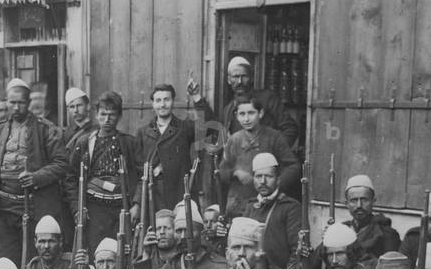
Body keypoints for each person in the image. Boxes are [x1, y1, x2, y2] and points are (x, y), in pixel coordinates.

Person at [0, 79, 68, 266]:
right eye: (12, 102)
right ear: (6, 102)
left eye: (21, 102)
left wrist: (36, 177)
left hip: (32, 206)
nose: (16, 107)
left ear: (28, 104)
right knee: (4, 258)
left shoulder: (45, 129)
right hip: (4, 207)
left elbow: (62, 164)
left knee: (31, 260)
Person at [65, 90, 140, 253]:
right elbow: (70, 177)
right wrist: (77, 208)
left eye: (112, 115)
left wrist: (137, 204)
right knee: (95, 253)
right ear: (96, 114)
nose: (107, 119)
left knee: (122, 253)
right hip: (94, 210)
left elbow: (141, 175)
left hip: (122, 208)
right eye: (103, 114)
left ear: (119, 116)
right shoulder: (85, 143)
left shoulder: (129, 143)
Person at [134, 82, 212, 211]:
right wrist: (137, 202)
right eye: (158, 100)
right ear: (153, 104)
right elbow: (138, 171)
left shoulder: (184, 128)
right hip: (152, 195)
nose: (163, 104)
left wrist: (196, 96)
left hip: (178, 193)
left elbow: (207, 125)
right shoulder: (143, 133)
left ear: (173, 102)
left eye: (167, 99)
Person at [217, 96, 298, 217]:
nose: (246, 119)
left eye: (251, 113)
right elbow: (222, 171)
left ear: (260, 113)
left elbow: (293, 166)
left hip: (267, 203)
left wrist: (276, 184)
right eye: (242, 114)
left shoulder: (274, 137)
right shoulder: (234, 140)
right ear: (236, 116)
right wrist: (235, 172)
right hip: (239, 204)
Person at [218, 56, 298, 150]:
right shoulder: (228, 110)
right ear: (229, 80)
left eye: (244, 76)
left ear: (251, 78)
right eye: (235, 77)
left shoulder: (267, 99)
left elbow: (290, 129)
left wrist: (273, 153)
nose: (239, 82)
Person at [243, 152, 300, 269]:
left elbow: (297, 250)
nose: (262, 181)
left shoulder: (290, 207)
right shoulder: (250, 206)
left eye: (268, 176)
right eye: (258, 176)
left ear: (278, 179)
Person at [342, 174, 401, 262]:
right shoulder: (342, 229)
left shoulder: (386, 234)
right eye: (353, 200)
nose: (359, 205)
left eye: (364, 200)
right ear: (346, 203)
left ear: (373, 201)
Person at [62, 87, 93, 155]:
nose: (75, 110)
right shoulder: (65, 133)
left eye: (79, 105)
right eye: (72, 107)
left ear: (88, 106)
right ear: (68, 110)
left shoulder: (96, 129)